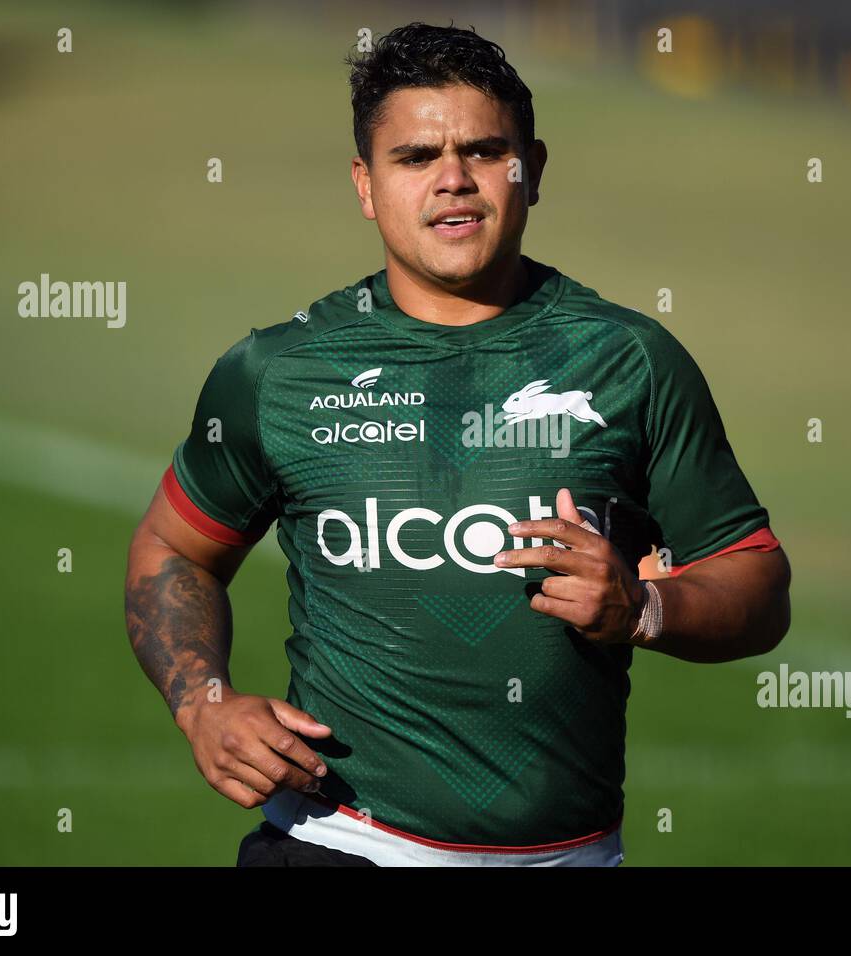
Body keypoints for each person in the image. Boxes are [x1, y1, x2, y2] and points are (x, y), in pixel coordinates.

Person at [124, 21, 791, 867]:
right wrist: (203, 701)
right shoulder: (277, 372)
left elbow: (759, 585)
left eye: (483, 151)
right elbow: (171, 550)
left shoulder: (631, 362)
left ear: (533, 170)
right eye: (414, 158)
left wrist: (648, 609)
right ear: (365, 185)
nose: (453, 181)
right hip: (339, 844)